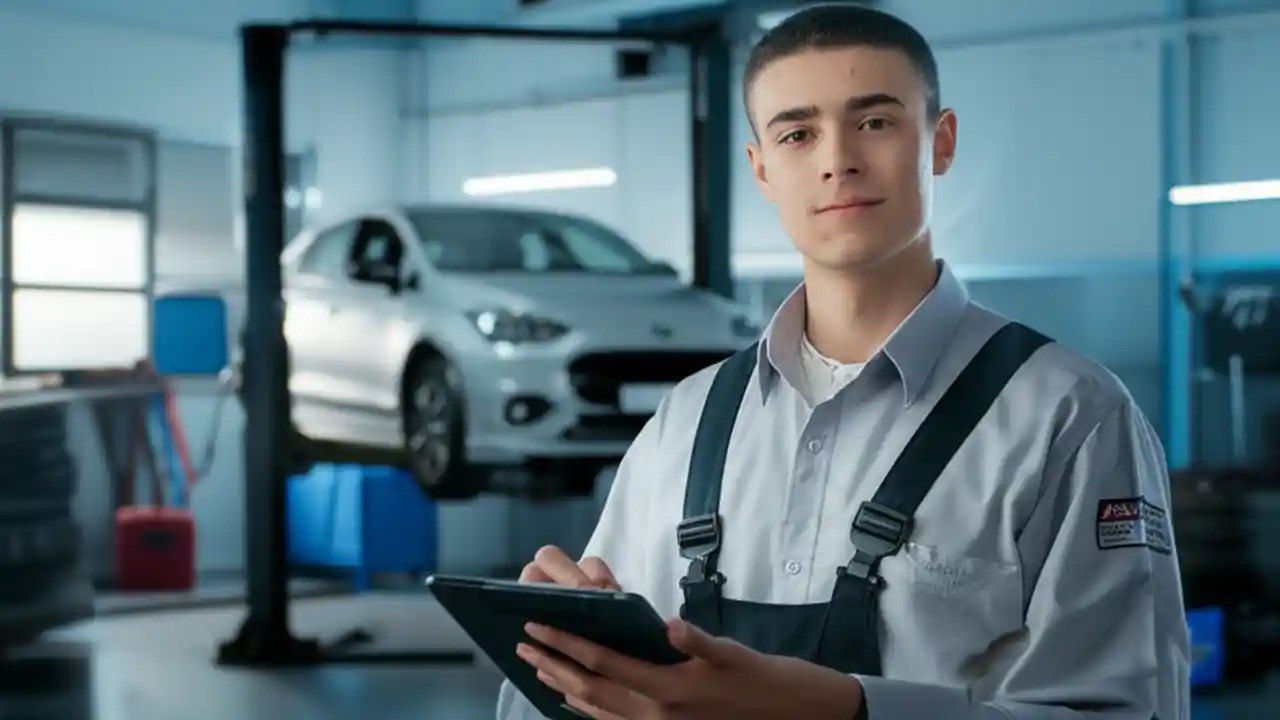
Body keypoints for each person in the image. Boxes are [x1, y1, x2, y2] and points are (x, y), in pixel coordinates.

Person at [496, 5, 1190, 719]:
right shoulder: (686, 422)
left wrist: (844, 712)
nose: (838, 160)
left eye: (876, 122)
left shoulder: (1069, 419)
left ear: (940, 141)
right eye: (798, 134)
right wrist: (559, 661)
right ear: (762, 168)